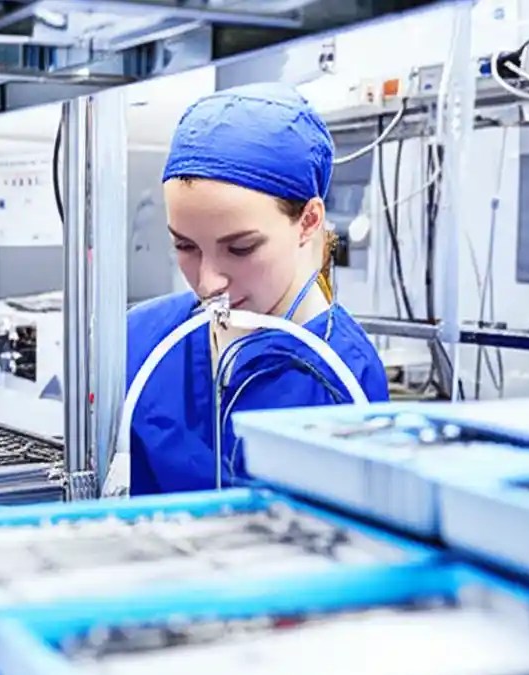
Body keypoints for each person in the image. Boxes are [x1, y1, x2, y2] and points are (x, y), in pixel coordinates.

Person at [125, 82, 389, 496]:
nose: (208, 283)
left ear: (308, 221)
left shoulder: (340, 377)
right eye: (185, 246)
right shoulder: (140, 340)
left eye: (240, 248)